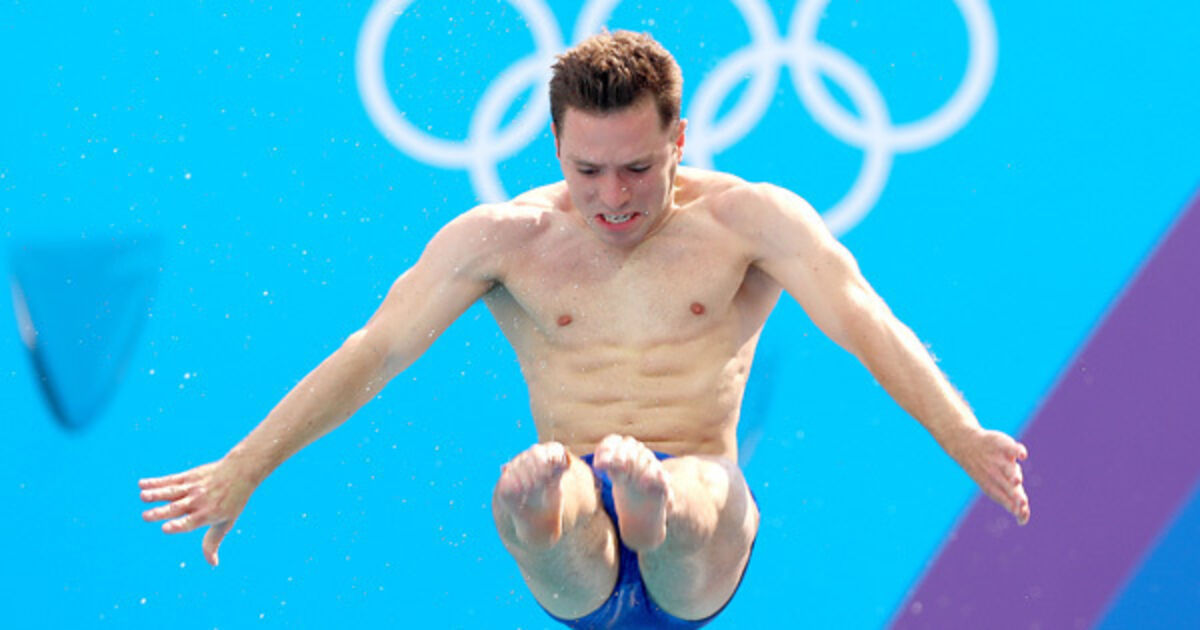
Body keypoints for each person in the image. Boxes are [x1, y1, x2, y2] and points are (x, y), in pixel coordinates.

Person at [140, 30, 1030, 628]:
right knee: (534, 505)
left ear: (681, 136)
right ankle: (559, 504)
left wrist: (963, 435)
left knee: (698, 498)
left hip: (702, 496)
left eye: (639, 168)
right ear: (554, 146)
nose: (613, 198)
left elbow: (865, 322)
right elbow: (372, 355)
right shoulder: (503, 240)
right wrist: (242, 468)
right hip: (577, 498)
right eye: (588, 169)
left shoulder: (749, 223)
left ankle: (650, 501)